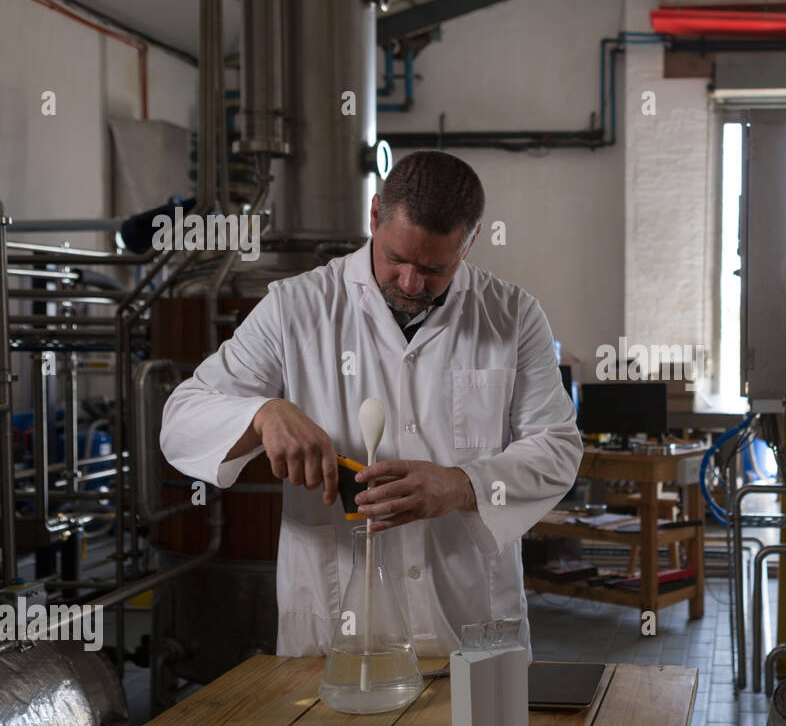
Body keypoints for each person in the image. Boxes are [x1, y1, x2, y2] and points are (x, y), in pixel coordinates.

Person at [160, 150, 582, 657]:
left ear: (470, 242)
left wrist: (461, 485)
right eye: (397, 259)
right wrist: (263, 414)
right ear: (375, 213)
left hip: (468, 622)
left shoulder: (512, 315)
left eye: (434, 269)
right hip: (335, 627)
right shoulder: (296, 306)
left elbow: (557, 448)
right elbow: (181, 418)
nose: (410, 284)